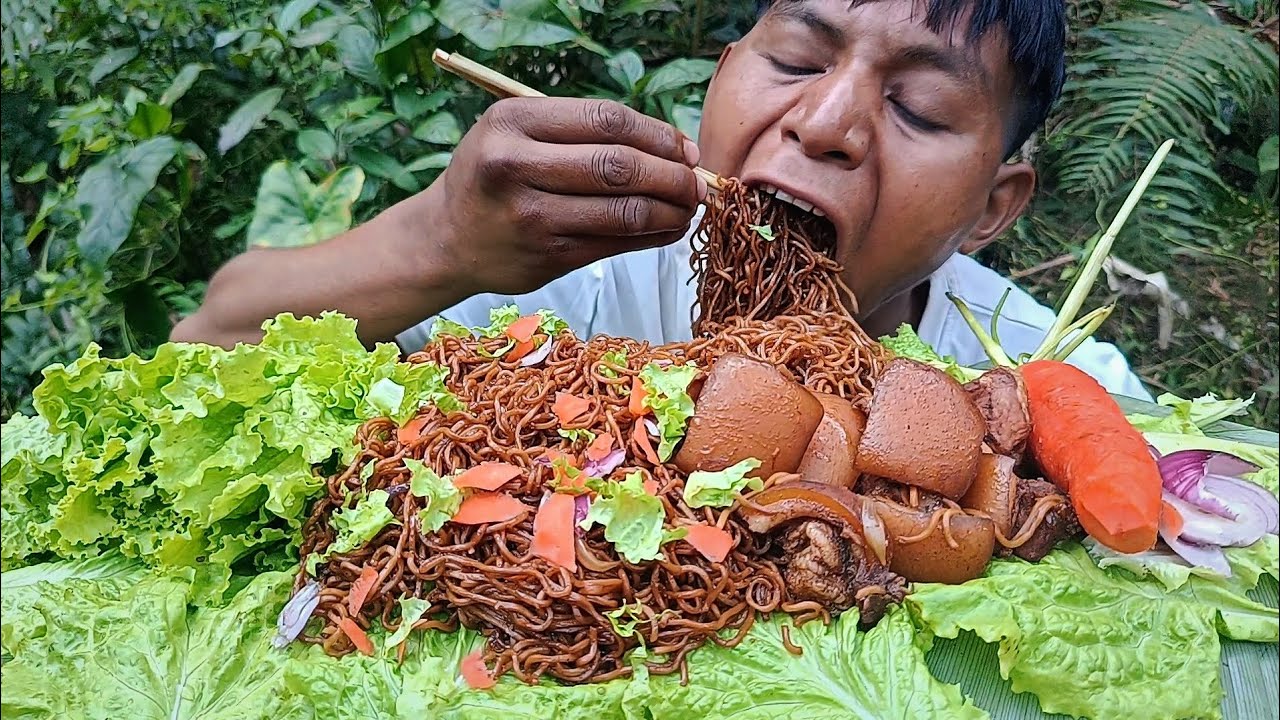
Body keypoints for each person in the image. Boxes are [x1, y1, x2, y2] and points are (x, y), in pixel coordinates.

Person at [172, 0, 1153, 400]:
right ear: (720, 78)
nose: (823, 123)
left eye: (917, 107)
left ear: (994, 205)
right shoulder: (579, 266)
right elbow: (207, 343)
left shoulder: (1047, 383)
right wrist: (440, 242)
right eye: (795, 61)